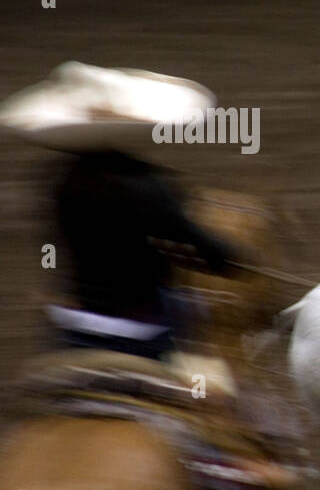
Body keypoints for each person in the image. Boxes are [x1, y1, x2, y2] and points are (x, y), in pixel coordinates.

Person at [51, 147, 238, 360]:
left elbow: (52, 249)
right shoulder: (143, 184)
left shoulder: (63, 179)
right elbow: (190, 240)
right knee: (191, 311)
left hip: (77, 320)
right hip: (141, 327)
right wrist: (228, 258)